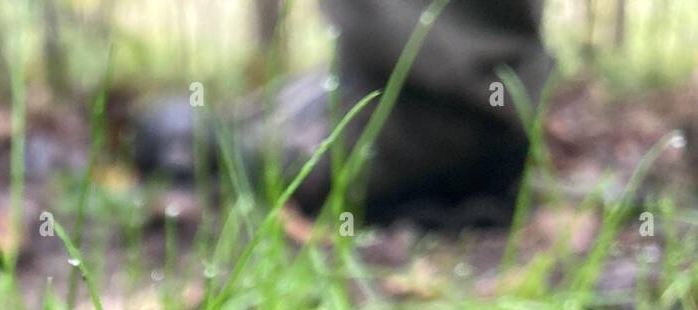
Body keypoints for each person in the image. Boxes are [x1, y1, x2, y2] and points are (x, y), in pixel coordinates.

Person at [134, 0, 554, 226]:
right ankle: (456, 98)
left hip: (425, 105)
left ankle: (432, 107)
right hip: (451, 89)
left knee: (182, 128)